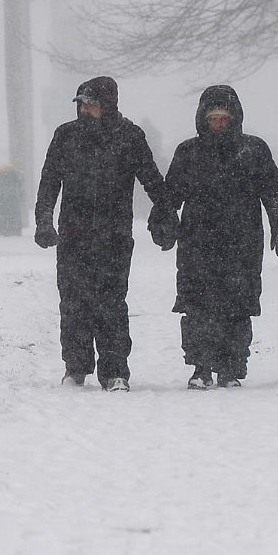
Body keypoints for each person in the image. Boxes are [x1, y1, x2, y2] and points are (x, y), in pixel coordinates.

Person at [34, 75, 170, 392]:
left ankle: (114, 370)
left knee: (111, 303)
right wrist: (44, 219)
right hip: (73, 235)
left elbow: (151, 178)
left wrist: (165, 212)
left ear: (107, 105)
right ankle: (76, 366)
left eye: (91, 104)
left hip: (114, 236)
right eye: (82, 104)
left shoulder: (130, 137)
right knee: (73, 302)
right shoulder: (65, 137)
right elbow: (49, 182)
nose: (85, 110)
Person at [158, 84, 278, 389]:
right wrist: (164, 225)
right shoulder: (189, 152)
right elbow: (171, 194)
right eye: (213, 118)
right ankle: (201, 366)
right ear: (203, 119)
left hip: (241, 243)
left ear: (234, 119)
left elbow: (274, 191)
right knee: (197, 307)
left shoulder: (253, 151)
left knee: (238, 305)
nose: (218, 124)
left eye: (224, 118)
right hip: (197, 243)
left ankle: (231, 366)